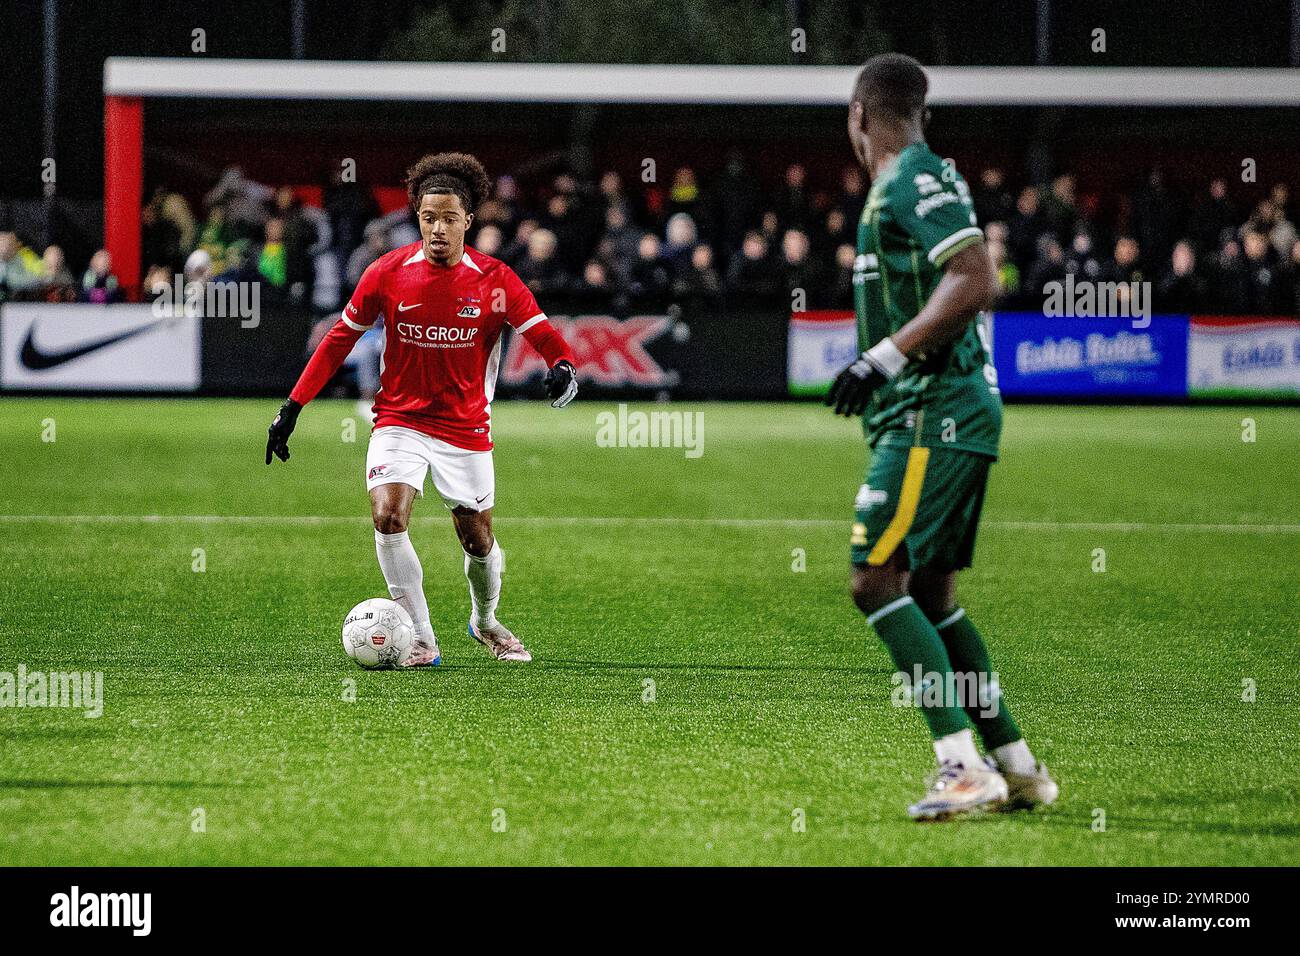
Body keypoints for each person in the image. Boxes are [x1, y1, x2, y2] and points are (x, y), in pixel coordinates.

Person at [827, 53, 1058, 821]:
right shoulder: (914, 177)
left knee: (873, 580)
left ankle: (960, 767)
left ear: (861, 115)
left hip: (935, 410)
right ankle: (1018, 767)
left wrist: (883, 356)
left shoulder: (911, 177)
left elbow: (974, 277)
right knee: (930, 593)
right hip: (942, 410)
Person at [265, 152, 579, 666]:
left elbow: (544, 334)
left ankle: (485, 621)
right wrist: (292, 406)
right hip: (399, 420)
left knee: (477, 540)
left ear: (468, 221)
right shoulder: (388, 272)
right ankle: (422, 638)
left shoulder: (496, 280)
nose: (437, 228)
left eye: (449, 218)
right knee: (388, 516)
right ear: (417, 218)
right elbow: (339, 339)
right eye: (428, 217)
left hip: (465, 426)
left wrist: (563, 365)